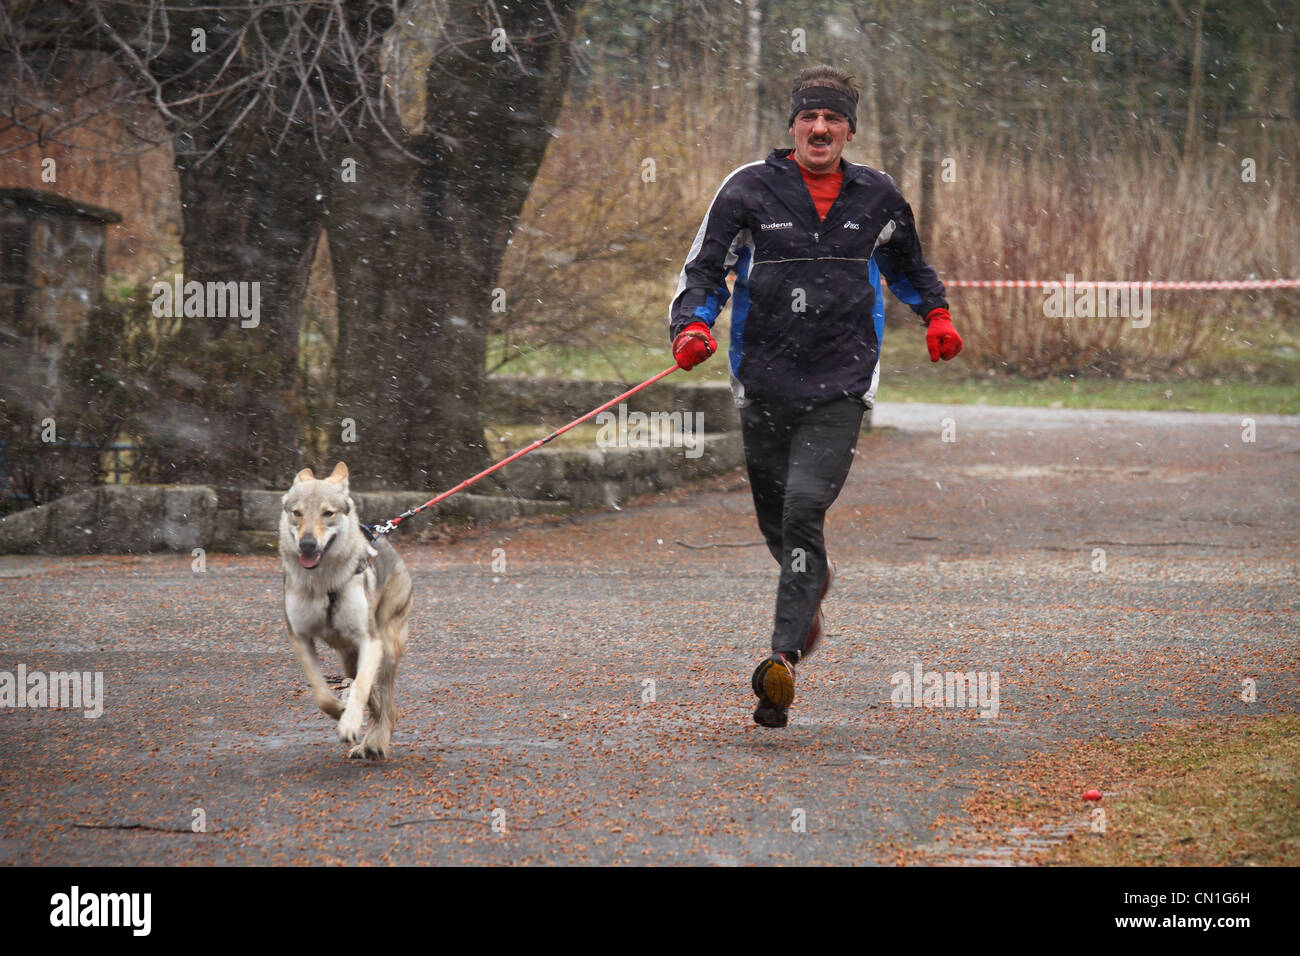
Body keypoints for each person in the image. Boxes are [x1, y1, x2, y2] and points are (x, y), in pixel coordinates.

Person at [668, 65, 962, 728]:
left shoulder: (877, 196)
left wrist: (936, 314)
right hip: (763, 382)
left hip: (842, 381)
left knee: (804, 506)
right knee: (779, 523)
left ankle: (781, 661)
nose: (821, 128)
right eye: (810, 117)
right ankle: (809, 595)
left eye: (833, 119)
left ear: (849, 129)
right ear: (793, 125)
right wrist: (691, 325)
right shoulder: (747, 191)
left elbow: (910, 267)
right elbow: (705, 269)